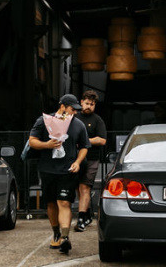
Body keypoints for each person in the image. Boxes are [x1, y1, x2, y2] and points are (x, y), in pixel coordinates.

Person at [28, 94, 90, 255]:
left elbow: (84, 146)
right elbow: (32, 140)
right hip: (47, 169)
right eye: (72, 109)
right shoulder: (43, 121)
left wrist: (77, 162)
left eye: (77, 110)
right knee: (51, 203)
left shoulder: (78, 125)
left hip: (67, 171)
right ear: (62, 106)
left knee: (64, 203)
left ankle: (64, 238)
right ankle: (56, 232)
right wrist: (46, 144)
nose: (75, 113)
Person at [73, 89, 107, 232]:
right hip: (75, 158)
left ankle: (80, 219)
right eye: (86, 103)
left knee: (85, 187)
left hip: (92, 158)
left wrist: (84, 141)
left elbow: (102, 140)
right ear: (81, 102)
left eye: (92, 104)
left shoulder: (97, 120)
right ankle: (86, 214)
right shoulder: (74, 118)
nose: (88, 106)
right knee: (78, 188)